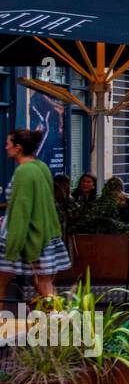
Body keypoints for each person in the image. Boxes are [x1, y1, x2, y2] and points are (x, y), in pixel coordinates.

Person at [0, 128, 72, 300]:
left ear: (18, 147)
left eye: (8, 143)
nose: (5, 147)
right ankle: (59, 323)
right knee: (43, 284)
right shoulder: (41, 167)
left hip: (25, 236)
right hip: (44, 234)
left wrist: (13, 245)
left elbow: (22, 210)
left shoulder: (24, 171)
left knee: (3, 285)